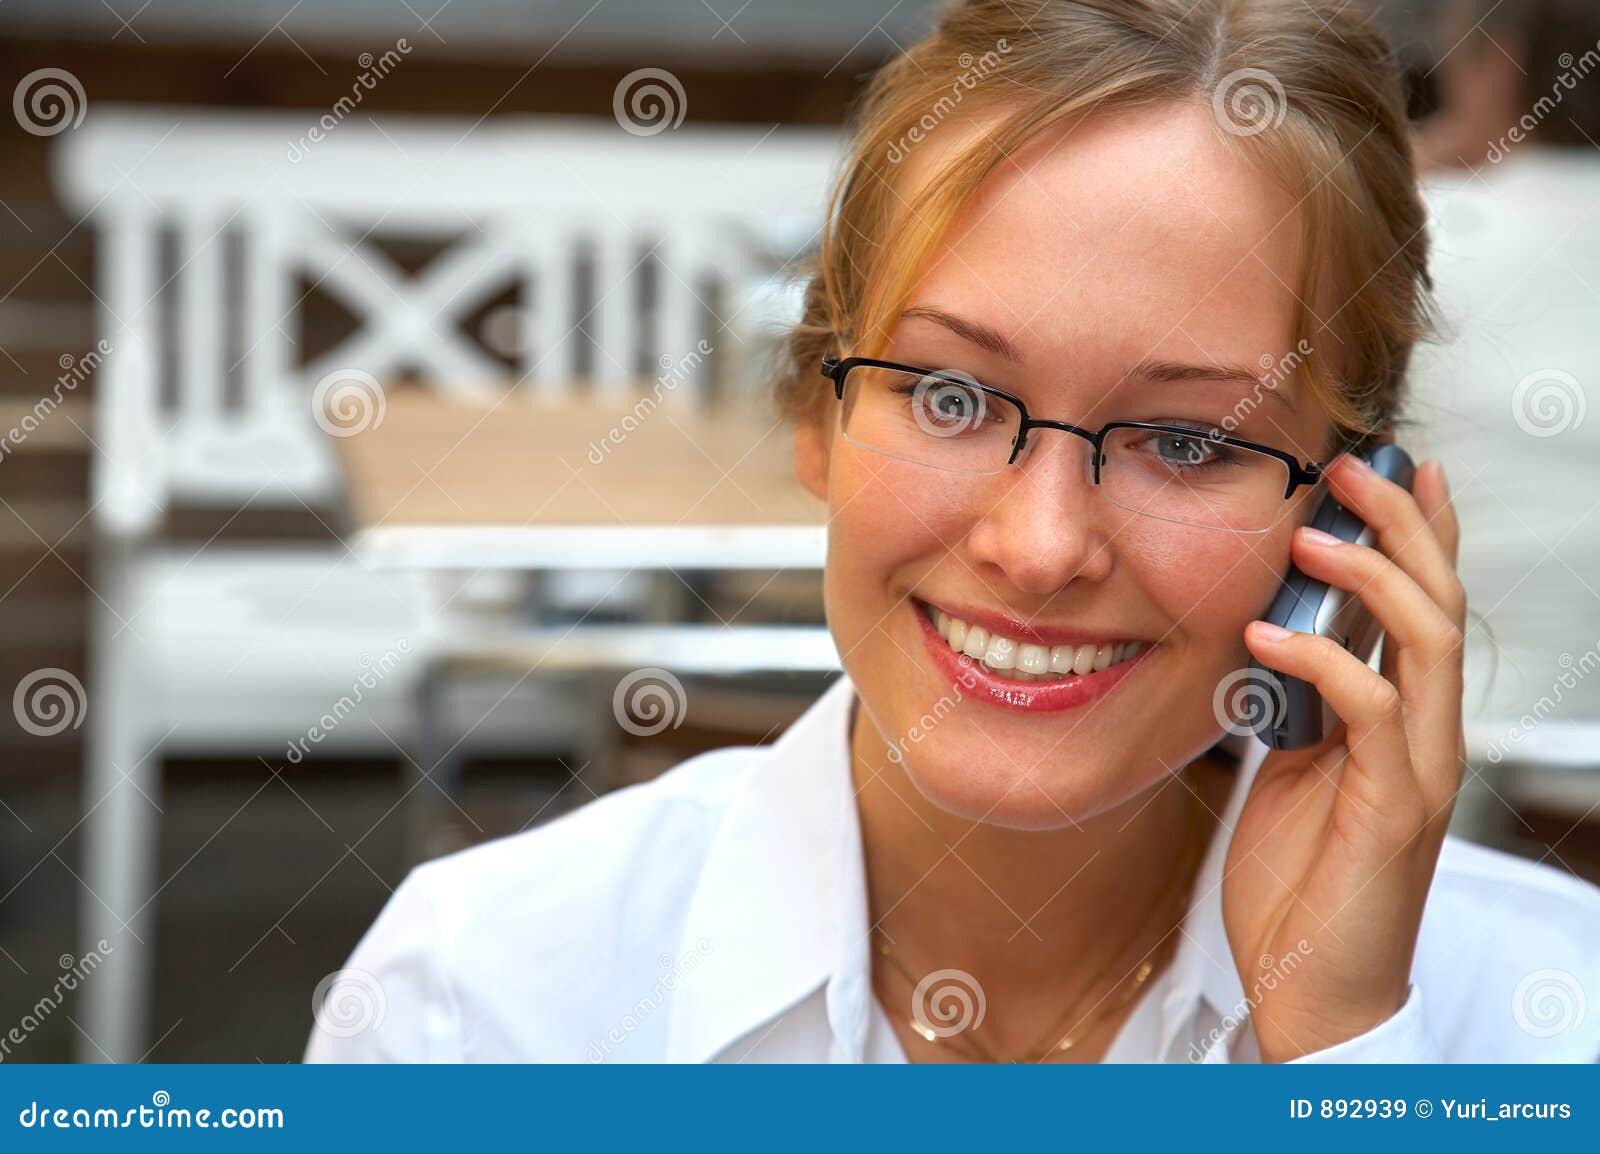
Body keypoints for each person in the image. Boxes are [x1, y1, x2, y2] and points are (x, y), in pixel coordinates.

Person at [305, 0, 1600, 1064]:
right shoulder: (478, 1002)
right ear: (814, 412)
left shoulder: (1550, 1012)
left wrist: (1337, 1050)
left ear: (1348, 506)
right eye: (952, 397)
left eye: (1191, 441)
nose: (1039, 549)